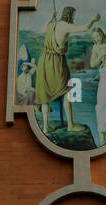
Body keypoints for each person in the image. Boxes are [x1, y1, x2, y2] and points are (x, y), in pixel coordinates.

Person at [34, 7, 98, 135]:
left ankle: (46, 127)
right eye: (74, 15)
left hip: (44, 61)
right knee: (67, 91)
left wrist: (51, 19)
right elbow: (85, 28)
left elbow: (42, 30)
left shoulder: (51, 25)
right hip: (56, 61)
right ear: (70, 15)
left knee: (45, 93)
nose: (74, 18)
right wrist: (94, 19)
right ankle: (70, 125)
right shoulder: (66, 26)